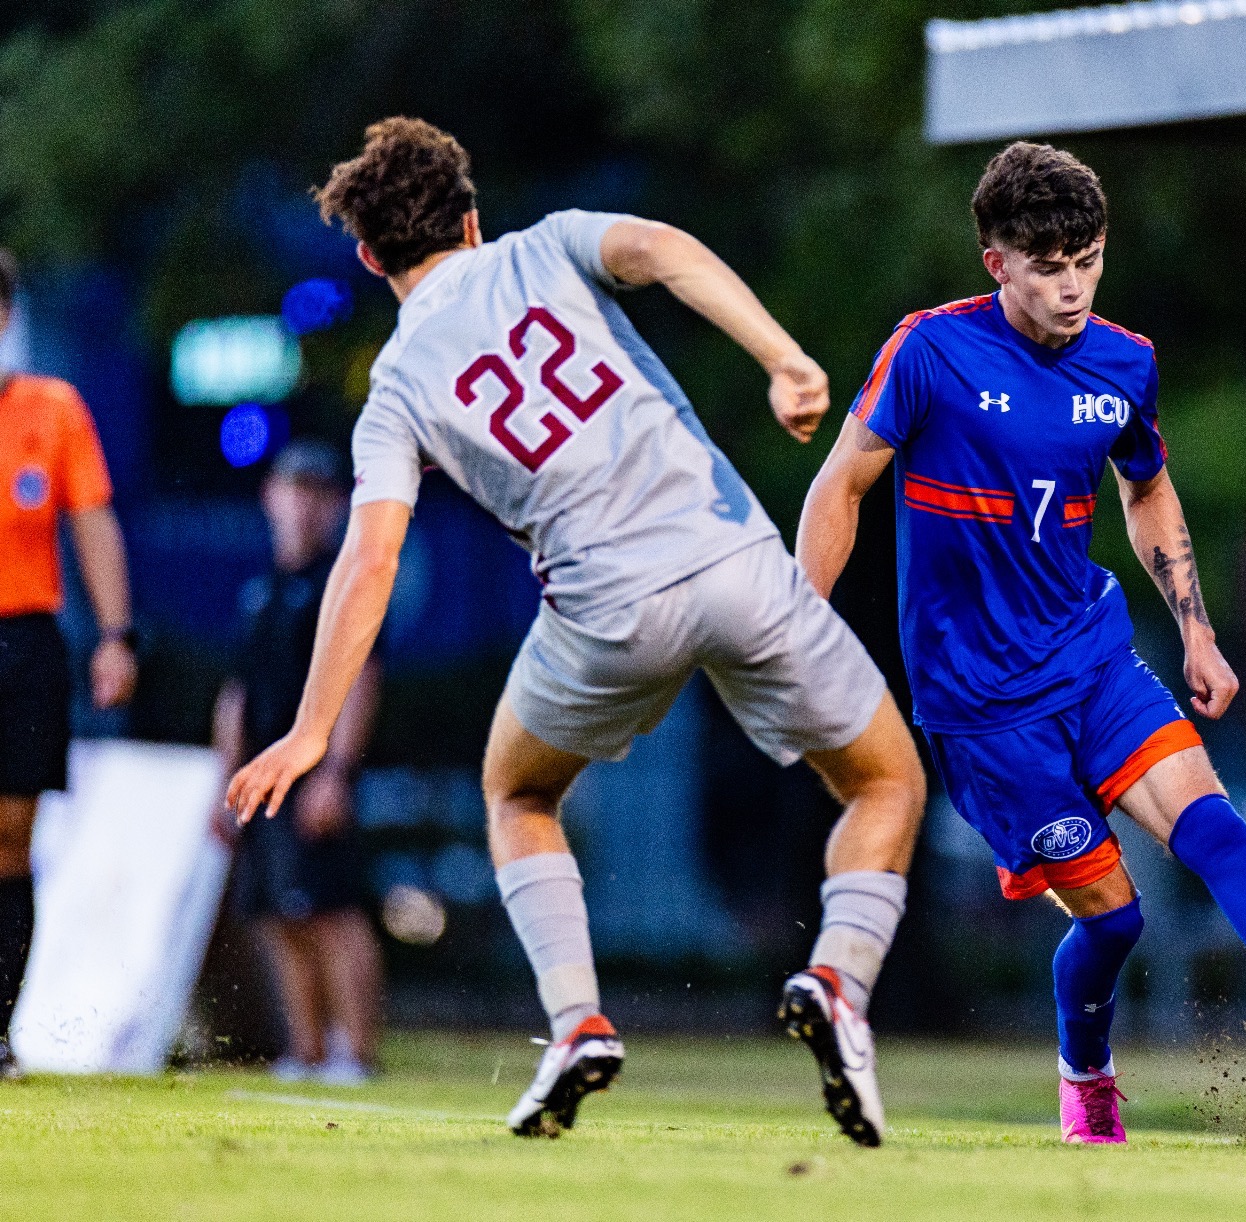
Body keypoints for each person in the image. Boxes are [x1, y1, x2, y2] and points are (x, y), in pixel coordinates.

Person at [225, 118, 926, 1144]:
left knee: (516, 790)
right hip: (732, 558)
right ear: (470, 215)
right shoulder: (544, 244)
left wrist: (310, 727)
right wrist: (782, 358)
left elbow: (367, 561)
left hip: (605, 612)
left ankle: (577, 1022)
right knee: (886, 781)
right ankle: (836, 980)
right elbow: (661, 250)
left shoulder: (394, 392)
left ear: (371, 257)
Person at [797, 141, 1246, 1145]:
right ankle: (1085, 1079)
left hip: (1092, 655)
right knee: (1113, 919)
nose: (1070, 285)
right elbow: (842, 481)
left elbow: (1144, 485)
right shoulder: (928, 352)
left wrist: (1195, 628)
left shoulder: (1124, 360)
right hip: (980, 703)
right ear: (994, 261)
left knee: (1216, 830)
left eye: (1086, 260)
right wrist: (800, 627)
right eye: (1046, 264)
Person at [0, 248, 138, 1078]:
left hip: (24, 640)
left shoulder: (52, 410)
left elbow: (92, 521)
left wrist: (117, 635)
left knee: (11, 839)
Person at [212, 441, 383, 1085]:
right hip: (263, 776)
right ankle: (306, 1048)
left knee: (331, 909)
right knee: (277, 913)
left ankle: (352, 1051)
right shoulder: (262, 592)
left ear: (338, 506)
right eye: (293, 490)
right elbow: (237, 693)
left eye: (317, 494)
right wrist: (224, 783)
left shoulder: (343, 583)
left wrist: (336, 773)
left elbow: (364, 677)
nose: (303, 507)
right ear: (269, 497)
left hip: (312, 772)